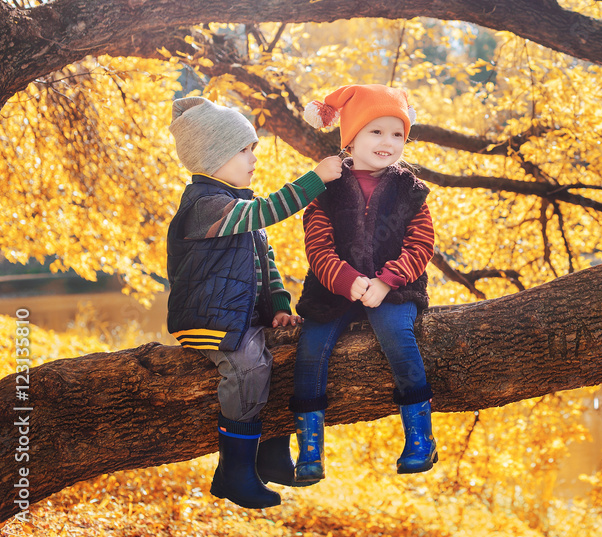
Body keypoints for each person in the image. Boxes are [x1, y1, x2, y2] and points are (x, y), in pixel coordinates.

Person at [166, 96, 343, 509]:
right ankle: (236, 472)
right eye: (243, 150)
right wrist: (315, 179)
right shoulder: (206, 206)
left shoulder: (238, 205)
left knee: (283, 357)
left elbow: (266, 264)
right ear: (212, 158)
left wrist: (279, 304)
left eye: (253, 149)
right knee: (248, 368)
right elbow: (269, 210)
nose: (252, 158)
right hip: (209, 317)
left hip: (242, 315)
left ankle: (271, 457)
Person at [292, 83, 437, 482]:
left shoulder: (409, 190)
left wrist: (389, 280)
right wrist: (346, 279)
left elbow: (422, 242)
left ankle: (420, 437)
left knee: (397, 335)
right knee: (310, 349)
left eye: (397, 134)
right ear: (351, 137)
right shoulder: (328, 189)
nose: (387, 142)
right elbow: (317, 244)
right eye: (376, 131)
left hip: (395, 288)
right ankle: (309, 449)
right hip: (334, 289)